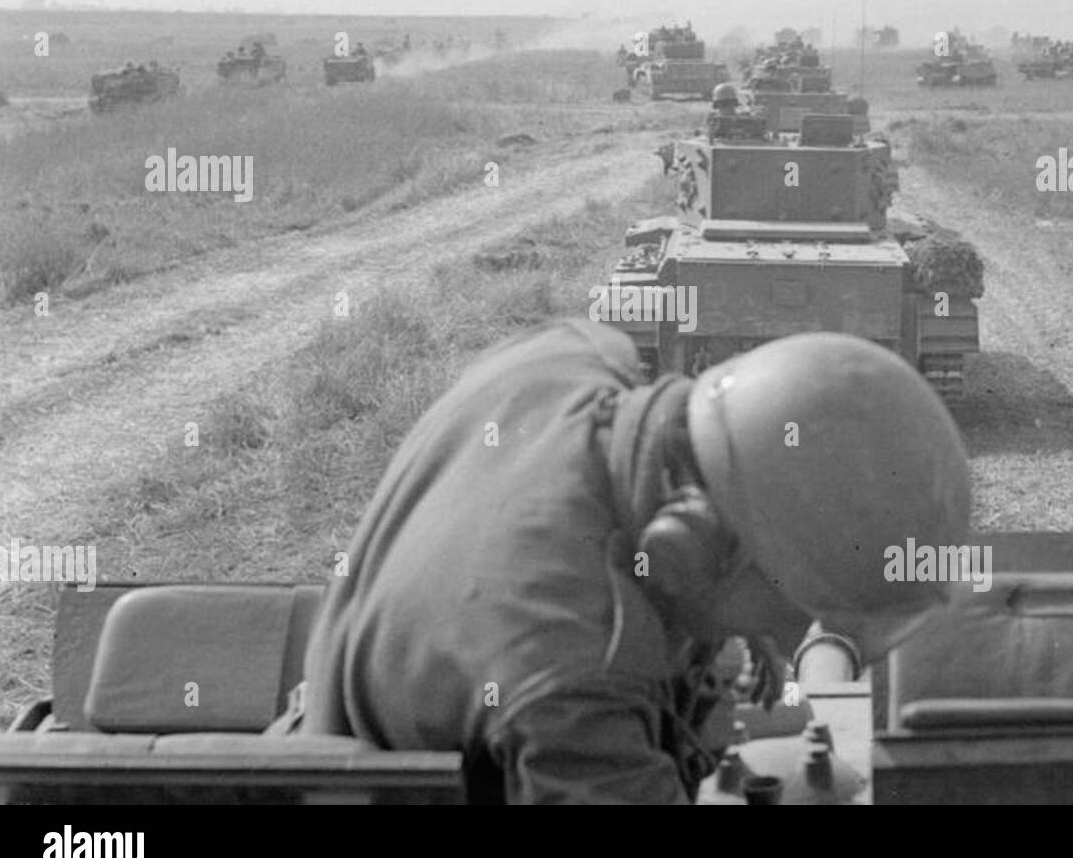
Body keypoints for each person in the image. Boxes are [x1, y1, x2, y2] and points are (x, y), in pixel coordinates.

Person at [301, 319, 971, 804]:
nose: (796, 642)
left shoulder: (570, 355)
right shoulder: (570, 680)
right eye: (794, 617)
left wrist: (739, 617)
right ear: (691, 554)